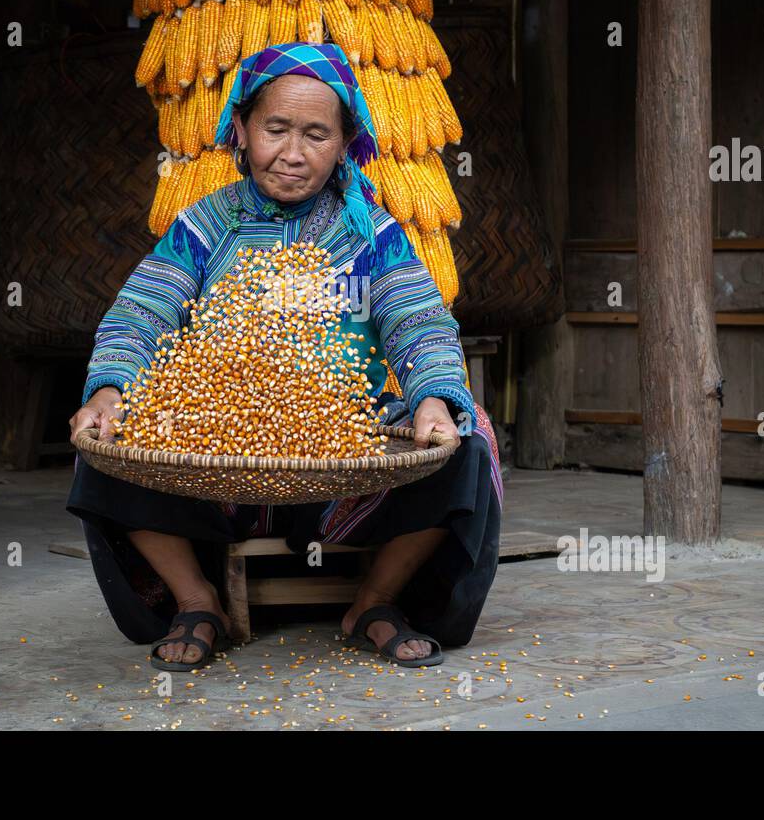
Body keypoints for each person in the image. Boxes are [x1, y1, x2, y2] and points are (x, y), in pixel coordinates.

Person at [66, 41, 503, 671]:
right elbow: (144, 310)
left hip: (344, 439)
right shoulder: (206, 225)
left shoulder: (371, 233)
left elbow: (418, 319)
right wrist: (108, 389)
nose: (293, 154)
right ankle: (196, 600)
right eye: (275, 129)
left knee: (467, 436)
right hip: (214, 445)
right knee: (105, 439)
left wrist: (433, 394)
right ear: (241, 129)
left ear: (346, 141)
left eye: (316, 135)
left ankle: (375, 601)